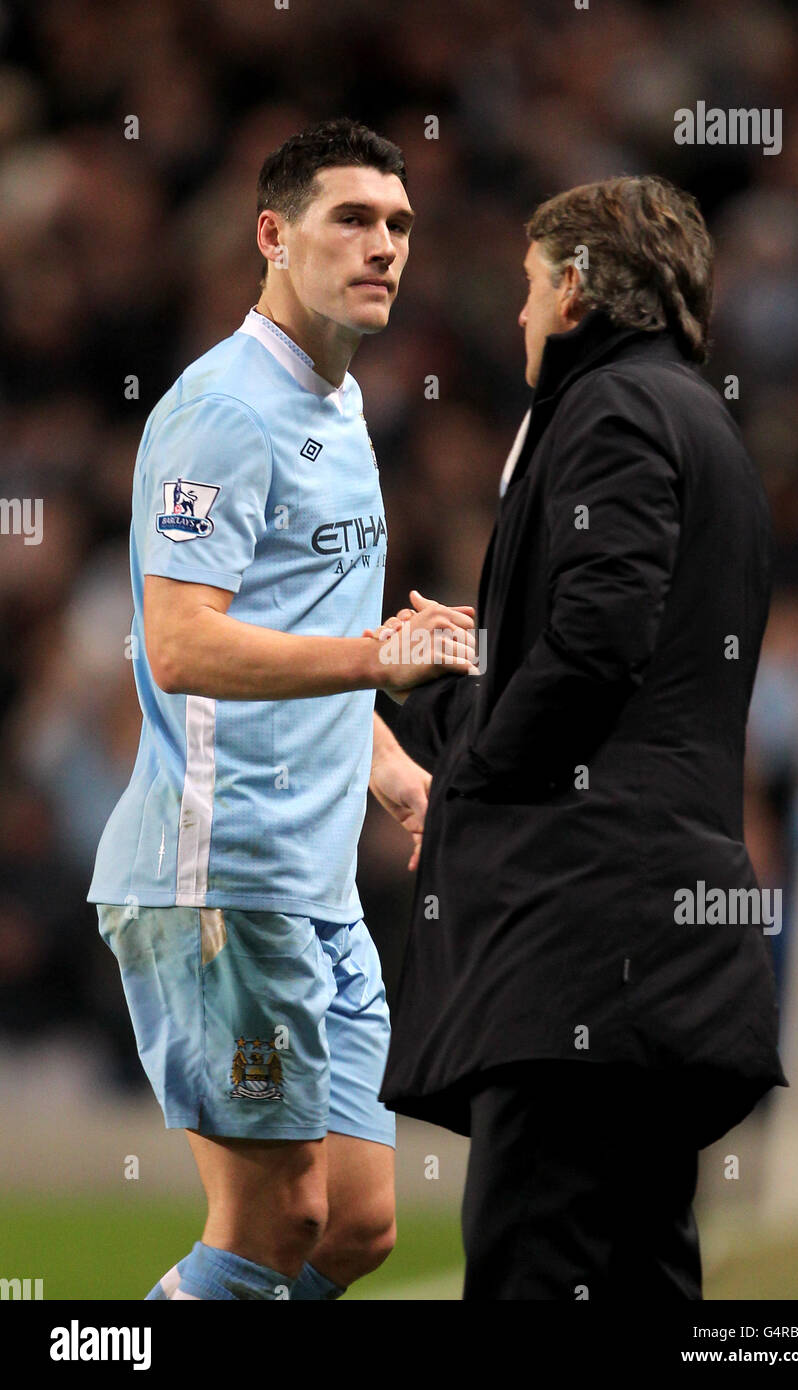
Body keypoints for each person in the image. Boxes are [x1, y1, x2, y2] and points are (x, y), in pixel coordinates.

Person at [377, 175, 789, 1301]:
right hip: (655, 959)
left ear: (571, 287)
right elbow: (615, 660)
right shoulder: (705, 428)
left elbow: (595, 648)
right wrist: (459, 671)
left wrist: (469, 764)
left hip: (584, 947)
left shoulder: (608, 412)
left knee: (534, 1268)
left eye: (525, 286)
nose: (515, 316)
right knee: (639, 1274)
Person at [87, 118, 477, 1302]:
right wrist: (376, 660)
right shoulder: (223, 411)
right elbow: (184, 641)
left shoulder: (344, 408)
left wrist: (393, 772)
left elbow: (307, 642)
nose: (382, 248)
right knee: (272, 1218)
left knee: (355, 1225)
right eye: (350, 219)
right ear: (272, 235)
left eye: (398, 225)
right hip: (219, 878)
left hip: (311, 884)